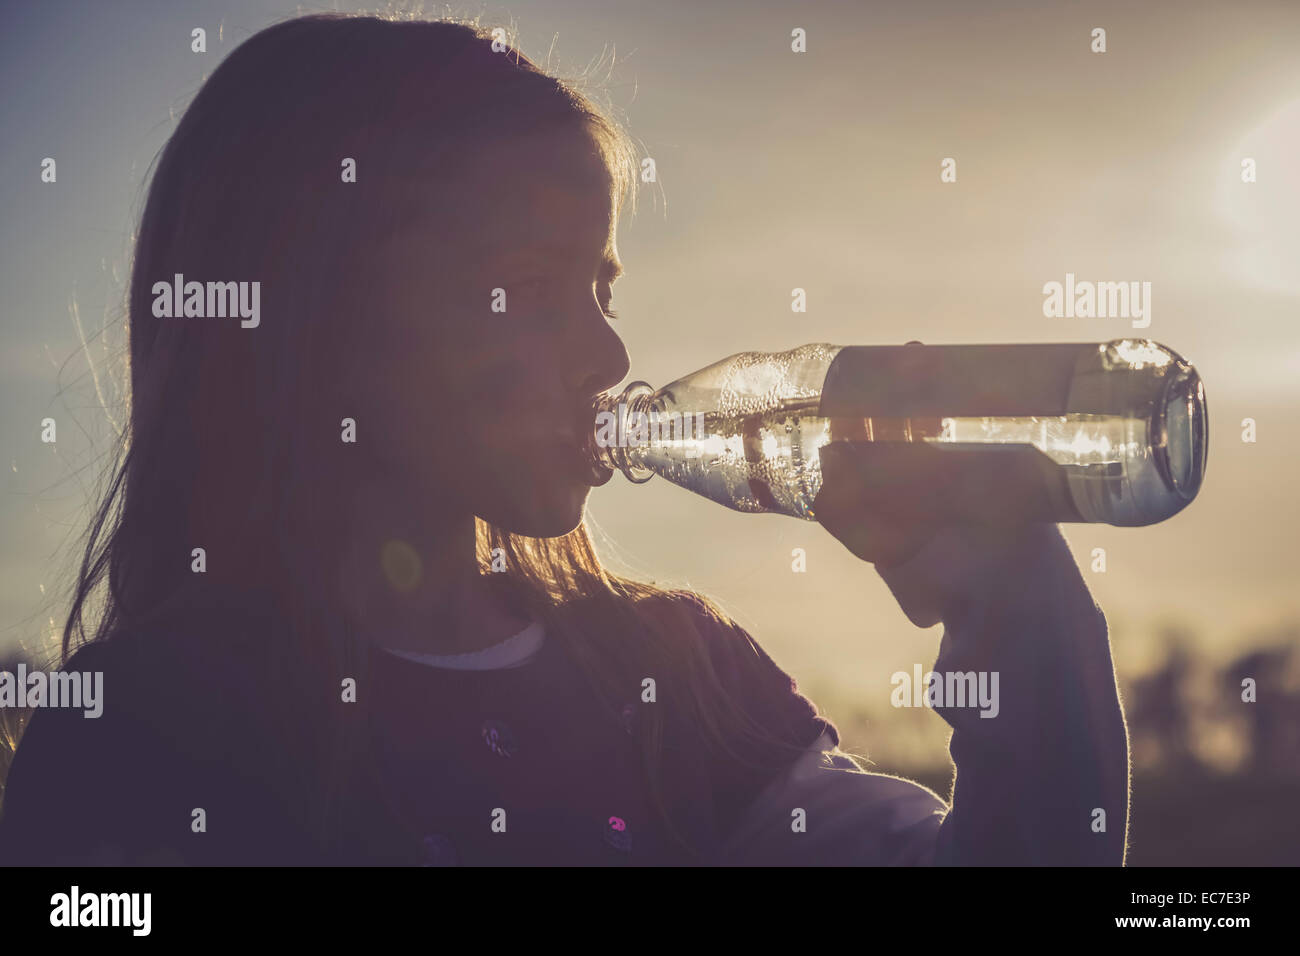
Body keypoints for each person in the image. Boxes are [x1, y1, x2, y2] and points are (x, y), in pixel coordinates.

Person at [0, 13, 1128, 866]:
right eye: (527, 290)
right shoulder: (146, 728)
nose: (603, 355)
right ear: (319, 324)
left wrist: (1013, 600)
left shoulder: (676, 675)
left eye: (601, 285)